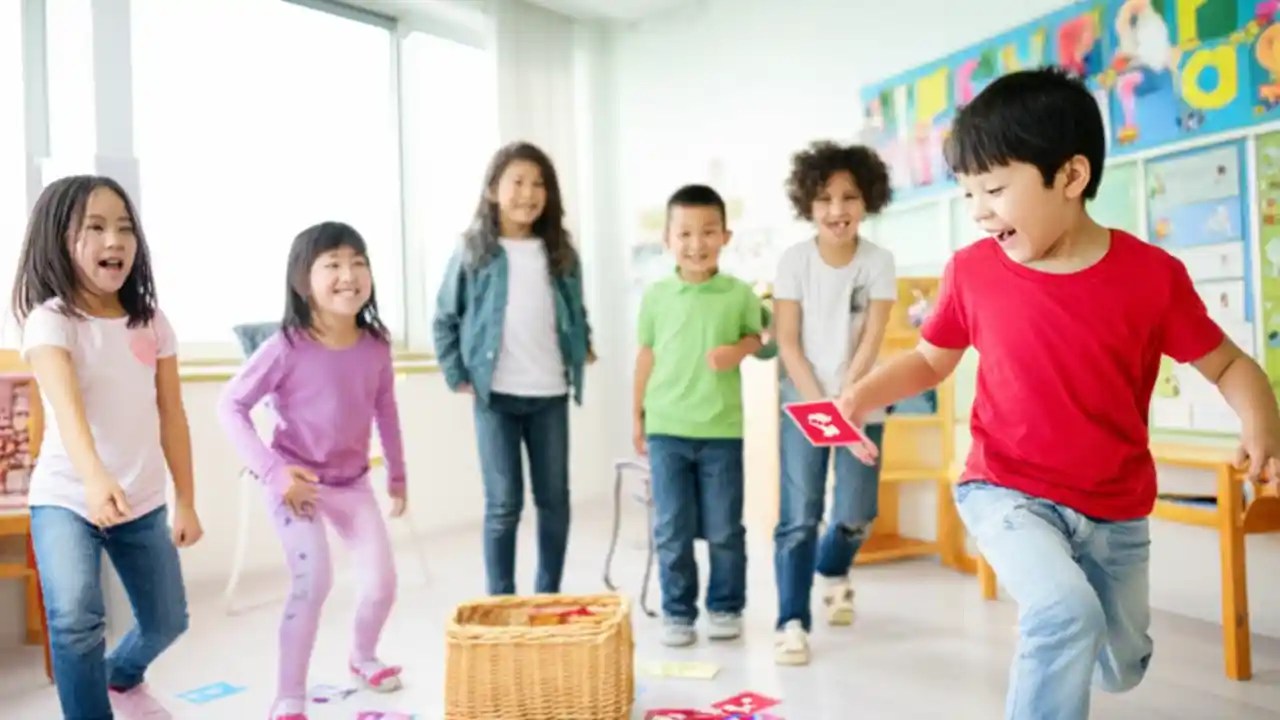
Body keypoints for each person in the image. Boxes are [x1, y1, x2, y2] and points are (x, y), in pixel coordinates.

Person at [839, 67, 1280, 720]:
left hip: (1116, 508)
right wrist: (859, 396)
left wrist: (1260, 426)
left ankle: (1098, 645)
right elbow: (931, 362)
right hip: (1006, 488)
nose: (980, 210)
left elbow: (1230, 365)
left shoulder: (1152, 278)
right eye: (968, 195)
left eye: (993, 189)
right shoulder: (972, 271)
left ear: (1071, 178)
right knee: (1063, 612)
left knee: (1124, 665)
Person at [14, 175, 201, 719]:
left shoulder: (151, 323)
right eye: (94, 228)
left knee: (169, 620)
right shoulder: (50, 322)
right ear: (58, 239)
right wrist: (94, 479)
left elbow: (172, 414)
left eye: (124, 228)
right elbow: (68, 413)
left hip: (140, 501)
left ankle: (121, 676)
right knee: (75, 620)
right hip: (68, 498)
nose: (114, 241)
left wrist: (185, 498)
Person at [219, 221, 408, 720]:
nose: (349, 274)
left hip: (353, 484)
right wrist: (273, 472)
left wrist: (398, 474)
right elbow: (230, 405)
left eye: (358, 261)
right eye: (333, 264)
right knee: (314, 582)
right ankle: (288, 695)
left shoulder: (376, 344)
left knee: (383, 583)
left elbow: (385, 409)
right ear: (304, 281)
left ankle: (363, 656)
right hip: (297, 485)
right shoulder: (286, 345)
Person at [433, 141, 594, 596]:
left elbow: (575, 311)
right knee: (503, 506)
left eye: (539, 183)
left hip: (549, 394)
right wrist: (456, 373)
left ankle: (547, 596)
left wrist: (585, 343)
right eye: (517, 182)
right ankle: (501, 601)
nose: (529, 193)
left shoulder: (560, 252)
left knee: (555, 502)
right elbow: (445, 317)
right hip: (495, 397)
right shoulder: (473, 251)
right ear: (492, 191)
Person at [771, 141, 897, 666]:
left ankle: (833, 569)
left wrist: (851, 396)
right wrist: (819, 402)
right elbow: (788, 341)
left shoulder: (879, 261)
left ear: (867, 200)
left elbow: (873, 334)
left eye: (848, 197)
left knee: (856, 513)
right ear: (808, 204)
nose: (837, 210)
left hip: (862, 399)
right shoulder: (793, 261)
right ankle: (791, 621)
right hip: (805, 399)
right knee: (799, 517)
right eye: (824, 198)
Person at [633, 183, 774, 647]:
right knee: (671, 528)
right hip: (666, 430)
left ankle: (725, 606)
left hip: (721, 431)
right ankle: (678, 613)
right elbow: (646, 356)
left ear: (725, 237)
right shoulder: (655, 296)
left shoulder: (738, 295)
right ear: (668, 240)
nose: (697, 244)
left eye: (708, 232)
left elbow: (765, 342)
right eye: (686, 233)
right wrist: (637, 416)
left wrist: (738, 349)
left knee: (724, 528)